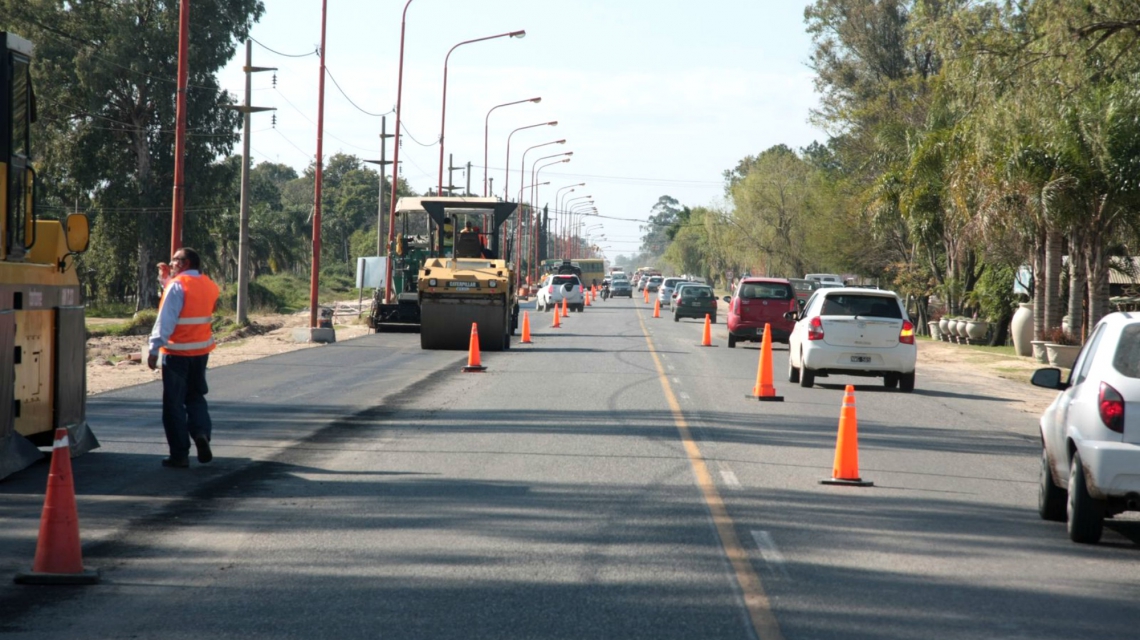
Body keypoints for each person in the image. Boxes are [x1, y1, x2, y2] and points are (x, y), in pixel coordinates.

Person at [147, 247, 221, 468]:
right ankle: (201, 433)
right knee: (195, 396)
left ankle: (179, 455)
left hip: (176, 353)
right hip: (200, 352)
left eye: (175, 260)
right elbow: (188, 304)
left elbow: (166, 318)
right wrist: (166, 281)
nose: (171, 263)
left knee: (174, 404)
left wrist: (153, 349)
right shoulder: (209, 284)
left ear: (185, 263)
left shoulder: (177, 285)